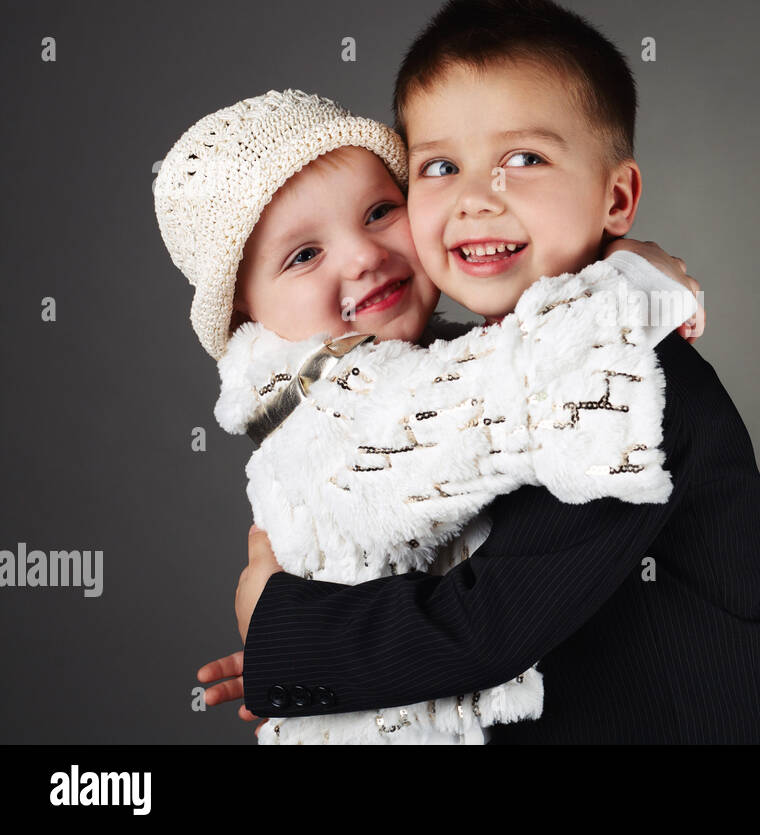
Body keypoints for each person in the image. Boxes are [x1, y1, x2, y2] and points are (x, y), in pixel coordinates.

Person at [206, 0, 760, 743]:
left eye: (522, 158)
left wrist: (283, 629)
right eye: (440, 167)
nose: (476, 199)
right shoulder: (471, 378)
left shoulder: (624, 379)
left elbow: (486, 627)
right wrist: (313, 679)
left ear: (617, 200)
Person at [157, 89, 701, 743]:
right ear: (248, 316)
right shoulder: (322, 400)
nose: (362, 256)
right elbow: (517, 388)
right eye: (304, 255)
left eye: (380, 211)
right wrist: (630, 281)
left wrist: (297, 648)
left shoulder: (421, 355)